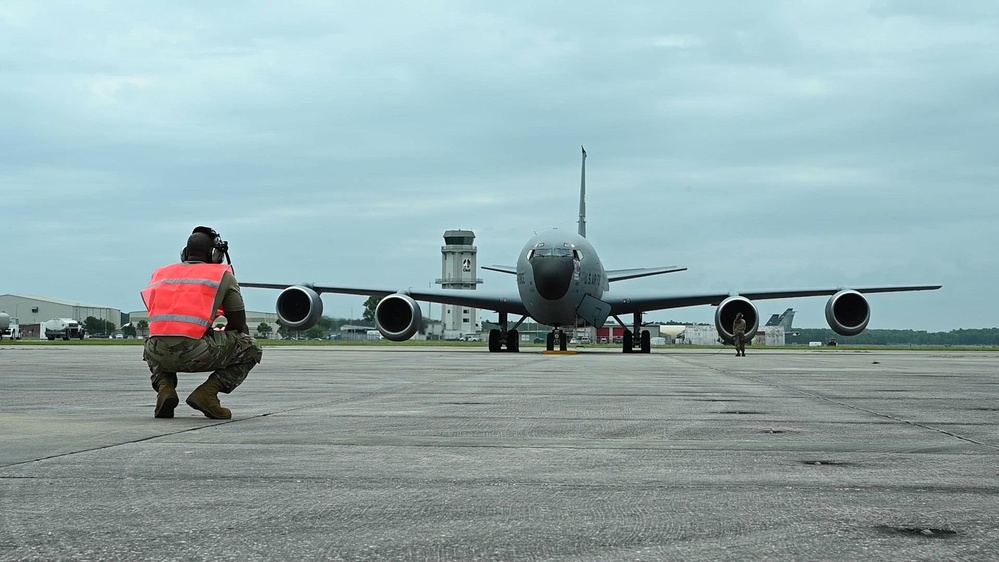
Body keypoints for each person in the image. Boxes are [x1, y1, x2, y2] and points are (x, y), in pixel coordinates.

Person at [140, 226, 262, 419]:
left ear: (184, 253)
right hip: (195, 351)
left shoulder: (161, 274)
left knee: (154, 341)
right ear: (215, 254)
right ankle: (207, 393)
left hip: (156, 352)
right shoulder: (221, 275)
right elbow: (239, 324)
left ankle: (165, 389)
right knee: (250, 346)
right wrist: (217, 332)